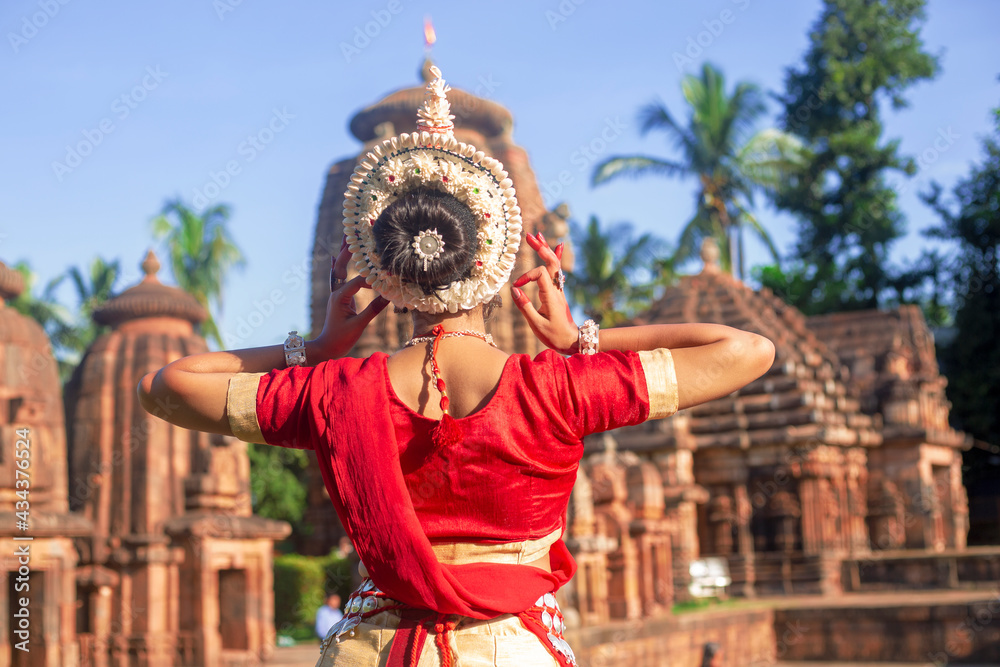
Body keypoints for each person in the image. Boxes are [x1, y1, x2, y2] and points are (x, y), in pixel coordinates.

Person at [137, 67, 774, 666]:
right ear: (496, 270)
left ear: (385, 275)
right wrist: (581, 337)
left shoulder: (332, 392)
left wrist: (319, 347)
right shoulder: (559, 390)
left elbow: (165, 384)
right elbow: (748, 349)